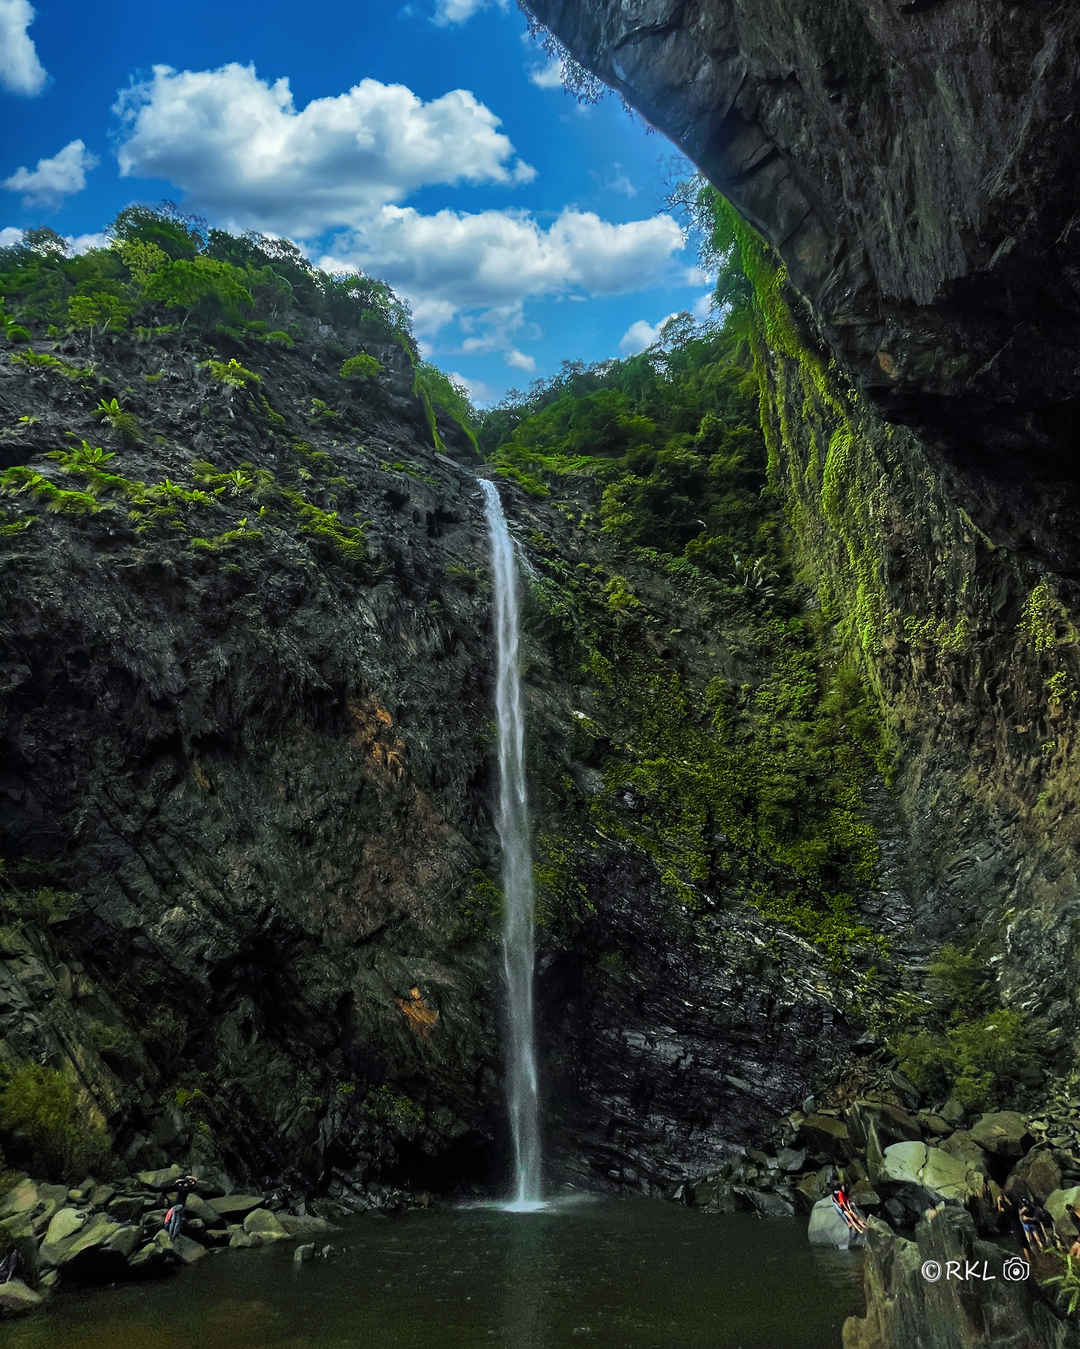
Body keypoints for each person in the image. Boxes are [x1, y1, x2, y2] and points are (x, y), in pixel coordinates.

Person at [165, 1175, 199, 1240]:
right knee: (177, 1221)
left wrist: (185, 1180)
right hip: (180, 1206)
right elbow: (193, 1183)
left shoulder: (181, 1187)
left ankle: (170, 1236)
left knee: (174, 1221)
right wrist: (191, 1180)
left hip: (177, 1206)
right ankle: (174, 1235)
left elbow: (177, 1184)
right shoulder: (186, 1187)